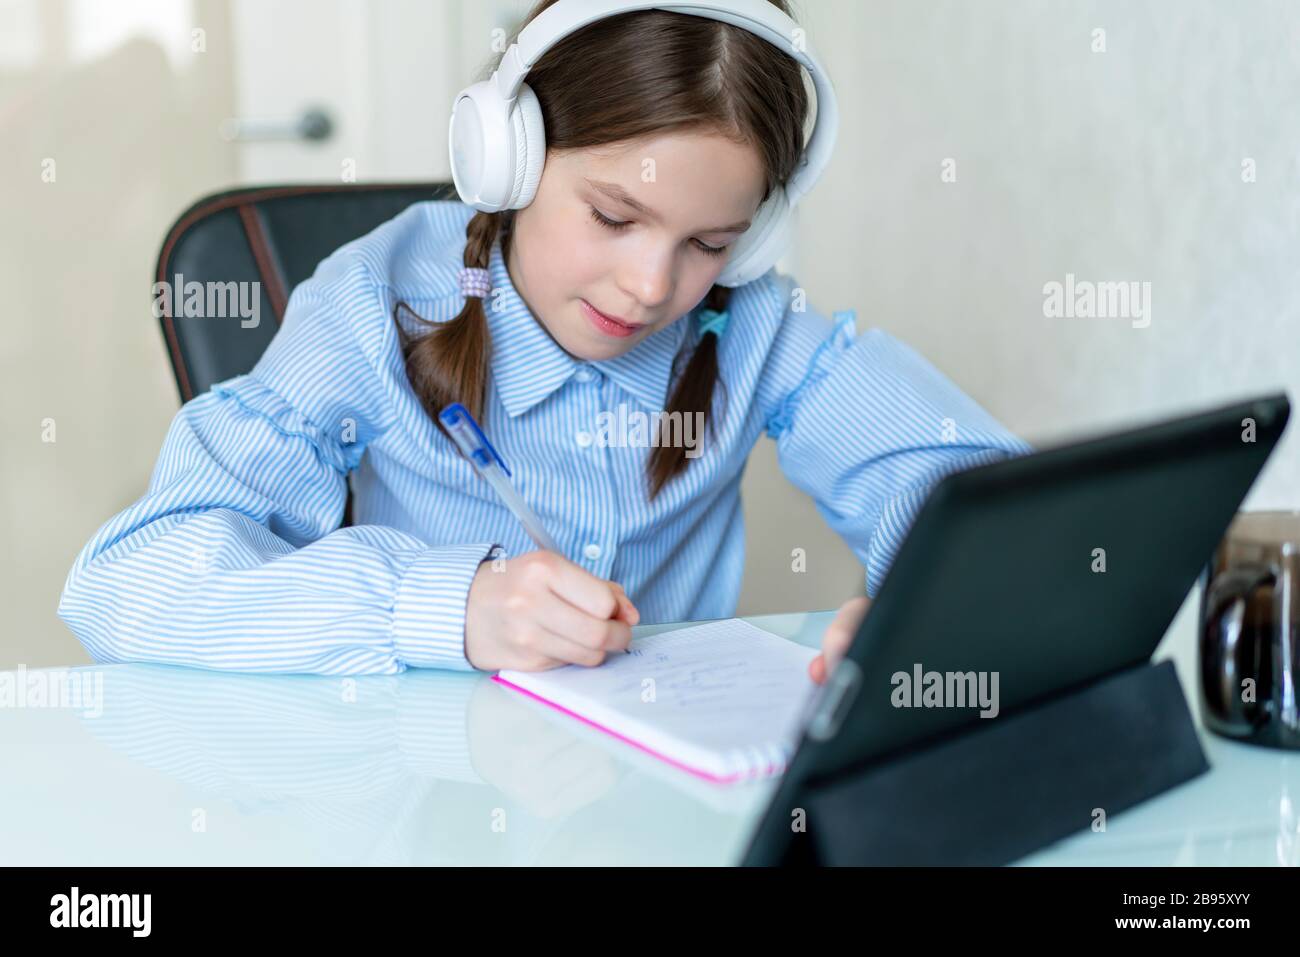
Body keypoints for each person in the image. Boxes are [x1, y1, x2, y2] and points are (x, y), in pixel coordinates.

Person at [58, 0, 1032, 680]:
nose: (653, 287)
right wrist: (450, 609)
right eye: (613, 217)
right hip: (412, 804)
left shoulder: (756, 325)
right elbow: (127, 585)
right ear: (506, 158)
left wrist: (938, 611)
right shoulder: (370, 303)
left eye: (709, 243)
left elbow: (996, 512)